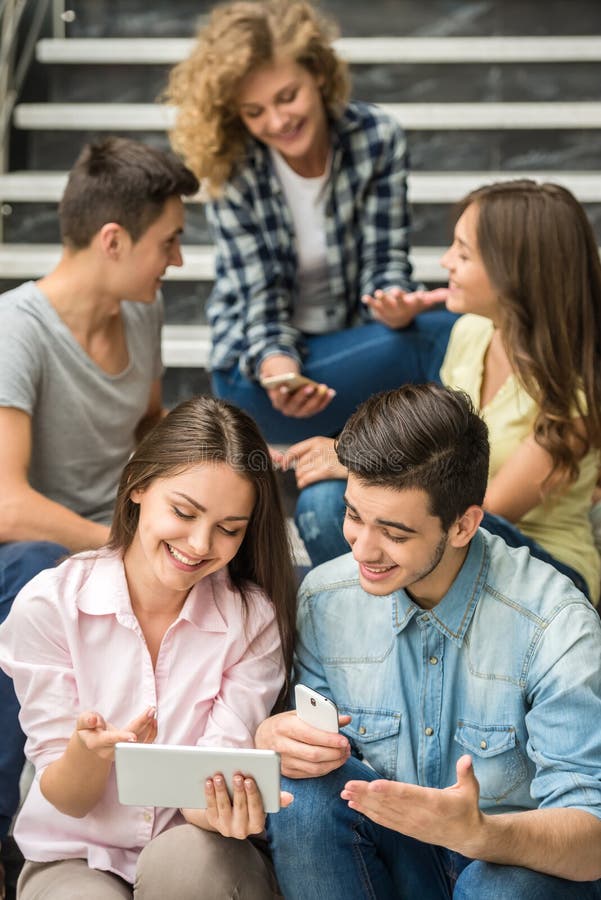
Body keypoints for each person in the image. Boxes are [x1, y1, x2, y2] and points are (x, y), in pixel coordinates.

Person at [256, 383, 601, 899]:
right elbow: (319, 773)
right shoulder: (325, 598)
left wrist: (481, 835)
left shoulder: (555, 623)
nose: (363, 550)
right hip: (395, 855)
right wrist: (273, 745)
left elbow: (592, 839)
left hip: (510, 865)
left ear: (463, 525)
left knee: (497, 886)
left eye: (394, 533)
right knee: (300, 793)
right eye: (353, 515)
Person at [0, 396, 297, 899]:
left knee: (185, 861)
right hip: (76, 854)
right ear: (138, 486)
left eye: (229, 530)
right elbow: (67, 799)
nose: (201, 544)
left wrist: (229, 809)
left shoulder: (251, 619)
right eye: (184, 512)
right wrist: (88, 756)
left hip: (197, 850)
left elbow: (215, 769)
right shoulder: (50, 605)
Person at [0, 136, 199, 879]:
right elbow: (7, 506)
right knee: (34, 570)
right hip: (37, 550)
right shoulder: (17, 331)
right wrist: (122, 546)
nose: (176, 261)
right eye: (168, 242)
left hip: (111, 537)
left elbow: (149, 431)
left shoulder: (138, 310)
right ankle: (8, 834)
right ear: (112, 240)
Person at [280, 180, 601, 604]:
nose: (447, 261)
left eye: (464, 253)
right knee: (326, 504)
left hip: (536, 562)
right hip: (452, 539)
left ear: (515, 273)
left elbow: (484, 510)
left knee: (438, 523)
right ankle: (388, 630)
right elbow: (432, 449)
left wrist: (356, 462)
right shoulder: (471, 333)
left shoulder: (574, 386)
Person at [166, 0, 455, 443]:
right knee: (449, 336)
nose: (278, 121)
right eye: (254, 111)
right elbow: (259, 295)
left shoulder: (375, 138)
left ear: (318, 73)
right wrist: (277, 365)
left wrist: (391, 302)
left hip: (351, 350)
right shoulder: (233, 166)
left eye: (287, 97)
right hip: (260, 376)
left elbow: (386, 257)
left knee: (329, 499)